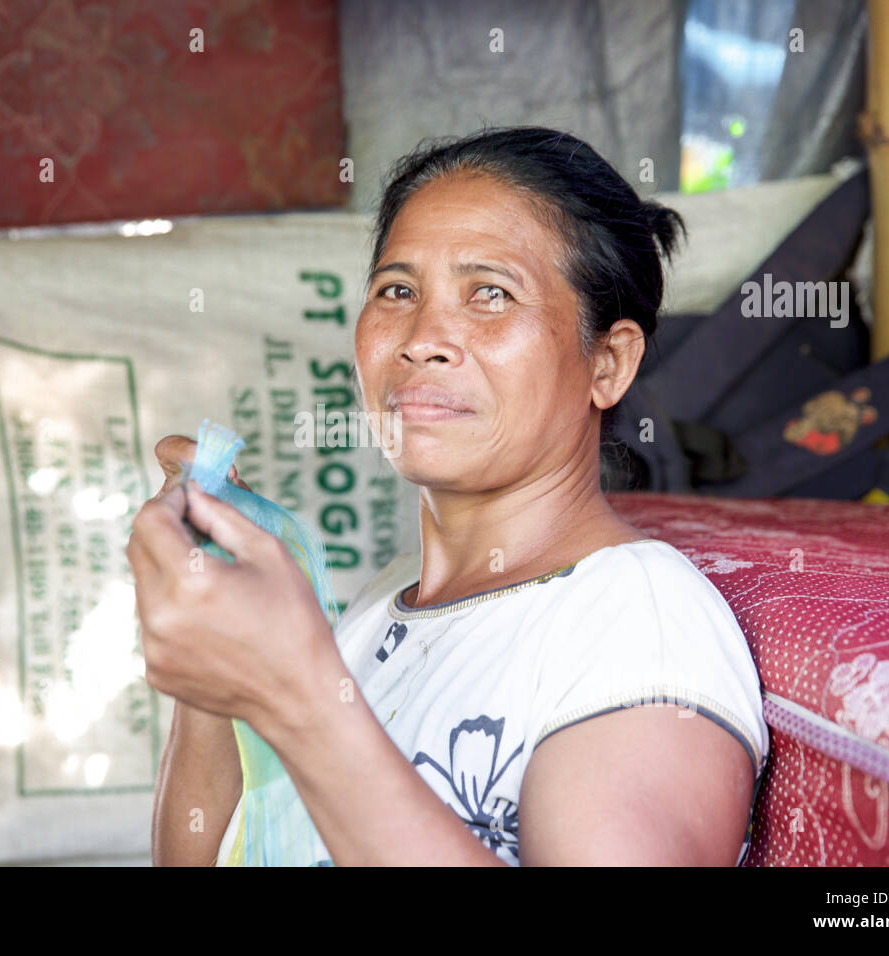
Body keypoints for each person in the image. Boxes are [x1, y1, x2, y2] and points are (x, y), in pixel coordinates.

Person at [130, 126, 769, 866]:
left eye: (490, 294)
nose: (422, 337)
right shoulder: (374, 615)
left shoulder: (637, 620)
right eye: (397, 291)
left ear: (609, 363)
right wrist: (218, 642)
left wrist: (297, 697)